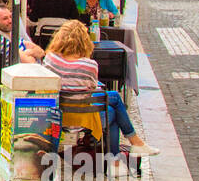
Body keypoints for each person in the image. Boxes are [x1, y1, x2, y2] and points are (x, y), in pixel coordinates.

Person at [43, 21, 160, 159]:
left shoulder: (51, 58)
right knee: (114, 106)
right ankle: (125, 151)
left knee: (112, 106)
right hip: (82, 117)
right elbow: (92, 90)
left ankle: (128, 150)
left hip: (58, 114)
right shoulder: (89, 65)